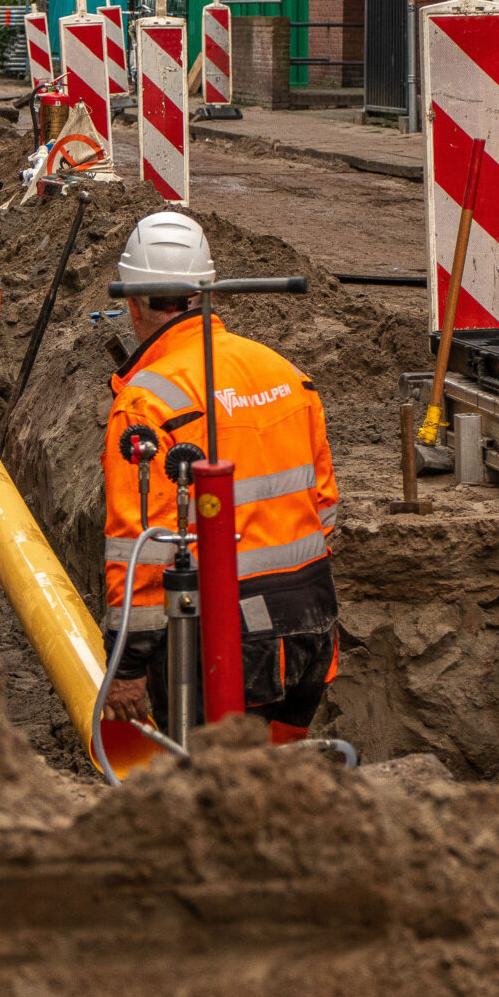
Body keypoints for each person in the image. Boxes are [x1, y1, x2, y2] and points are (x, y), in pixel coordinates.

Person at [98, 212, 340, 744]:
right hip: (313, 621)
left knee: (219, 792)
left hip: (225, 639)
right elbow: (325, 505)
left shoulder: (146, 403)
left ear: (133, 302)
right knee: (280, 784)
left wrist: (130, 665)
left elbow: (139, 547)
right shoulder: (284, 372)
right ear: (205, 292)